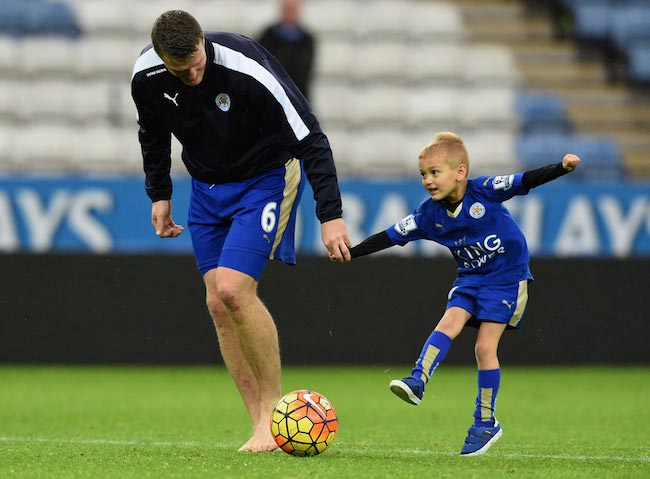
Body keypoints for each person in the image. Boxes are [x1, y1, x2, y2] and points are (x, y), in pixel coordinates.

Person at [130, 10, 351, 452]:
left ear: (201, 43)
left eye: (197, 63)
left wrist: (331, 214)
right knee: (216, 302)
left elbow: (311, 138)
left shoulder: (245, 66)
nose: (193, 75)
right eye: (181, 70)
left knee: (233, 289)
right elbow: (152, 133)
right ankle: (259, 425)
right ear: (161, 58)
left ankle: (274, 410)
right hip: (207, 188)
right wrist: (159, 193)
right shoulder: (147, 76)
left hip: (264, 178)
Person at [348, 132, 580, 456]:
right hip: (470, 277)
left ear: (460, 172)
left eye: (434, 172)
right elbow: (390, 236)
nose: (428, 181)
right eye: (423, 174)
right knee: (449, 321)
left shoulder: (483, 191)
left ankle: (485, 422)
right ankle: (418, 380)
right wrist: (351, 252)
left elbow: (522, 181)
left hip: (506, 277)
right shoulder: (430, 214)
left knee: (485, 348)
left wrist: (561, 168)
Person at [257, 0, 315, 102]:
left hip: (298, 97)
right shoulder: (268, 36)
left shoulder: (306, 39)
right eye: (286, 10)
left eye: (292, 10)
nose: (289, 14)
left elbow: (304, 72)